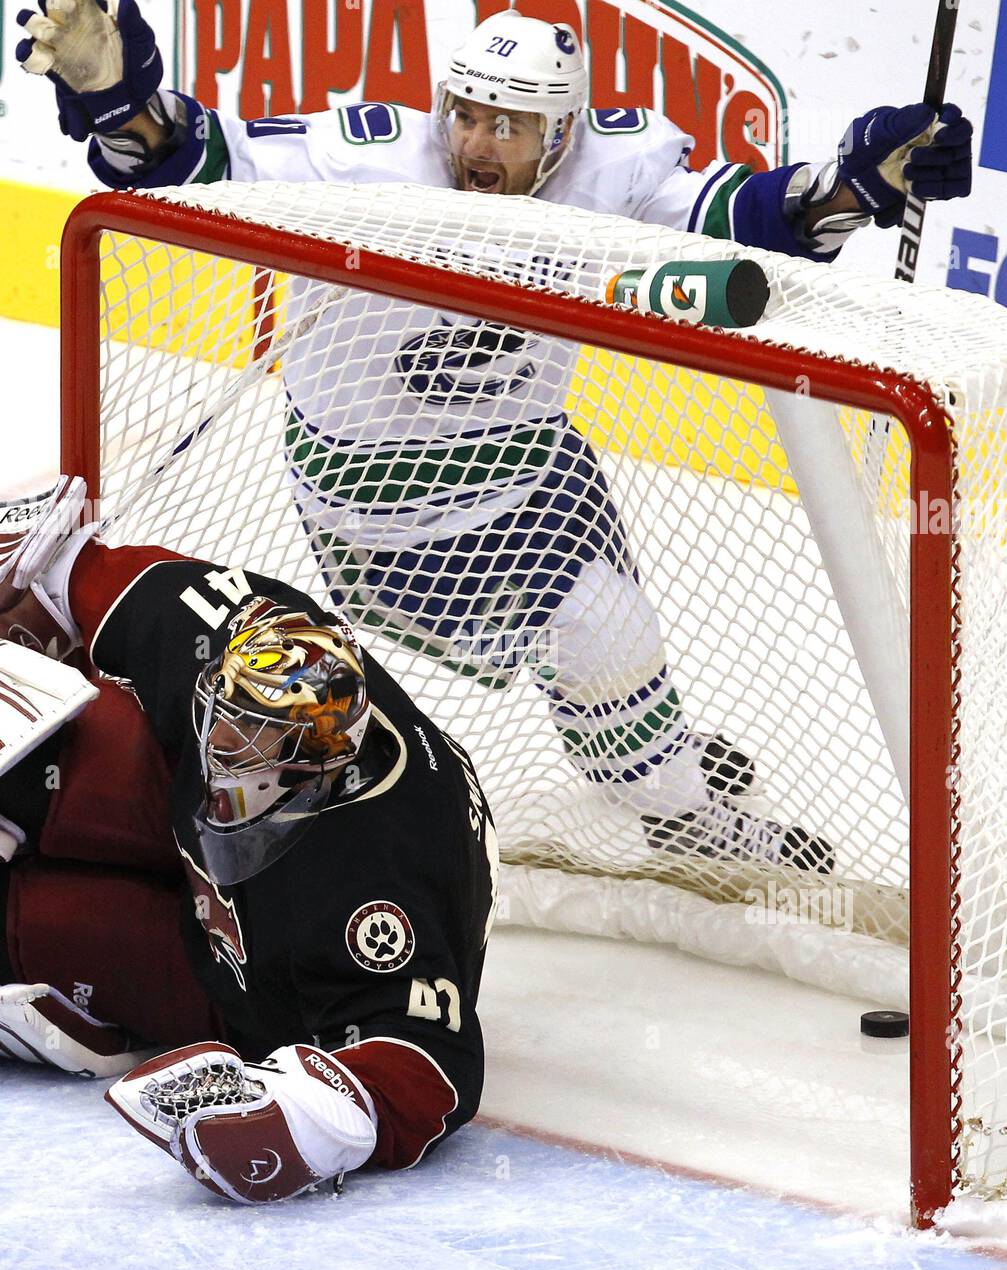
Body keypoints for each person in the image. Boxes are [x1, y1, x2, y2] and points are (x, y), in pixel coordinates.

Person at [15, 5, 972, 871]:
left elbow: (754, 216)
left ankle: (641, 758)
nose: (477, 140)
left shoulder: (611, 169)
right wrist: (118, 99)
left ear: (561, 132)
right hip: (375, 492)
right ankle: (681, 816)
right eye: (466, 112)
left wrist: (855, 181)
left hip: (532, 454)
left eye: (508, 125)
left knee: (609, 637)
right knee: (602, 624)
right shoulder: (371, 157)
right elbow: (195, 158)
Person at [0, 479, 497, 1205]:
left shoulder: (379, 873)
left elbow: (438, 1057)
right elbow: (93, 573)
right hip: (200, 845)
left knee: (31, 929)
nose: (224, 747)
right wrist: (38, 582)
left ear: (319, 759)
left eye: (253, 743)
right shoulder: (237, 649)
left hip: (247, 979)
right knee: (53, 752)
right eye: (224, 721)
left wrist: (322, 1112)